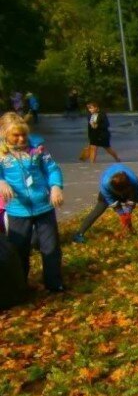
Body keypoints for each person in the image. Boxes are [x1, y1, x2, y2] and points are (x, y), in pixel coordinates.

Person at [0, 118, 65, 293]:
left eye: (24, 135)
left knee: (50, 247)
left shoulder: (38, 150)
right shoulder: (1, 153)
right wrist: (1, 182)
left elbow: (52, 169)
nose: (21, 139)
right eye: (16, 135)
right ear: (6, 134)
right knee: (20, 250)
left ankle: (54, 284)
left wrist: (56, 187)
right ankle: (20, 286)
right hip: (18, 209)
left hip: (43, 206)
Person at [72, 163, 138, 242]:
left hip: (131, 190)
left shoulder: (133, 181)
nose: (121, 196)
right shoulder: (105, 185)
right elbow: (112, 202)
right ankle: (79, 234)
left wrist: (127, 211)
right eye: (120, 193)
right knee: (98, 210)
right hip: (110, 192)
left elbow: (132, 199)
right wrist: (121, 213)